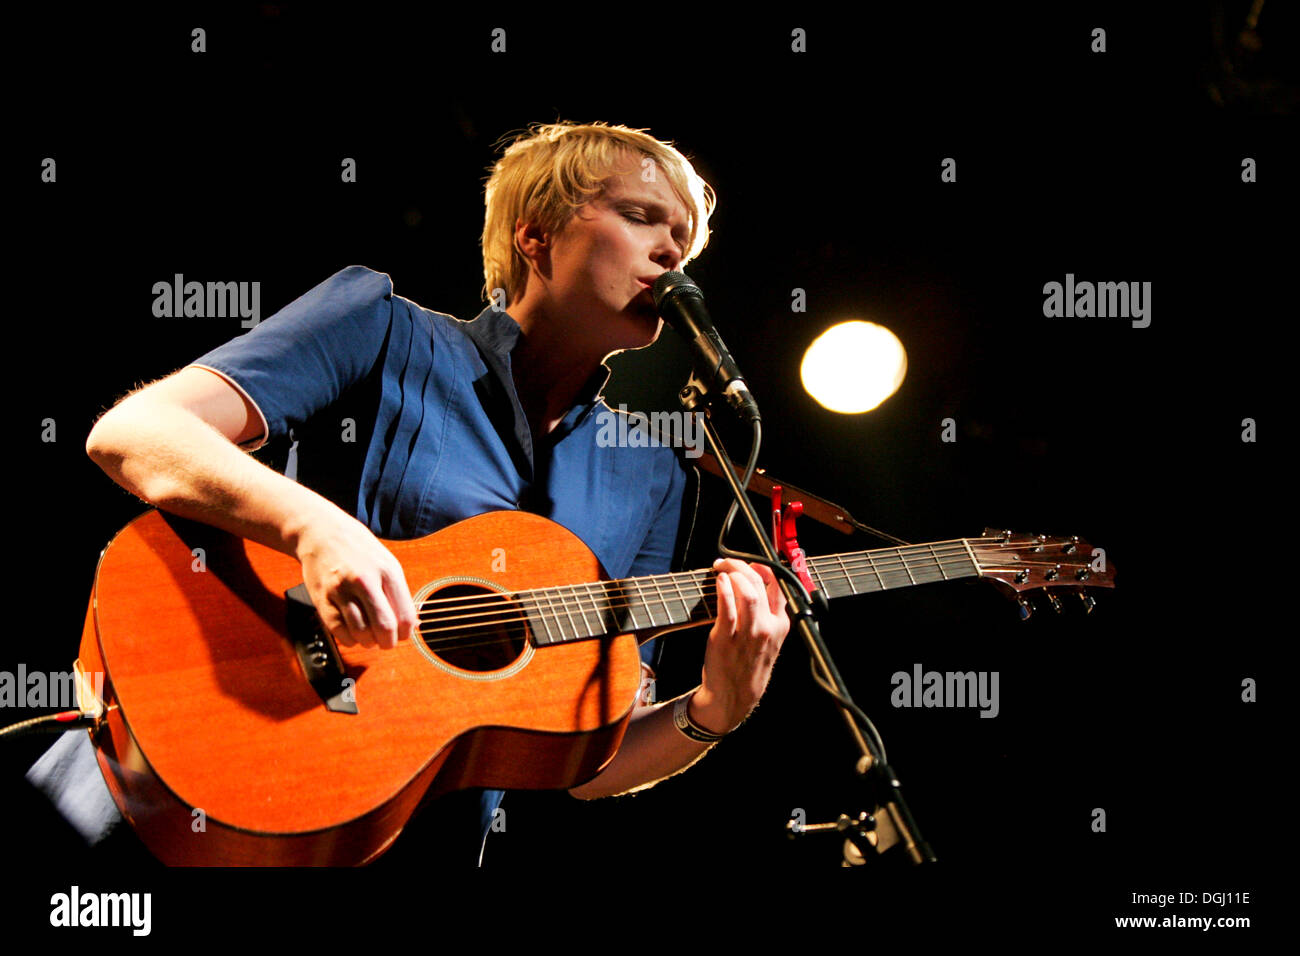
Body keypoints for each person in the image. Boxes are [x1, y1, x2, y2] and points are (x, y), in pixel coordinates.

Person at [28, 121, 790, 865]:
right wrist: (316, 531)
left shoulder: (651, 472)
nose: (671, 253)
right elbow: (136, 433)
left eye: (683, 240)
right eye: (640, 217)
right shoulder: (381, 329)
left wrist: (712, 712)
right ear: (535, 237)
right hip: (189, 779)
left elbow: (588, 757)